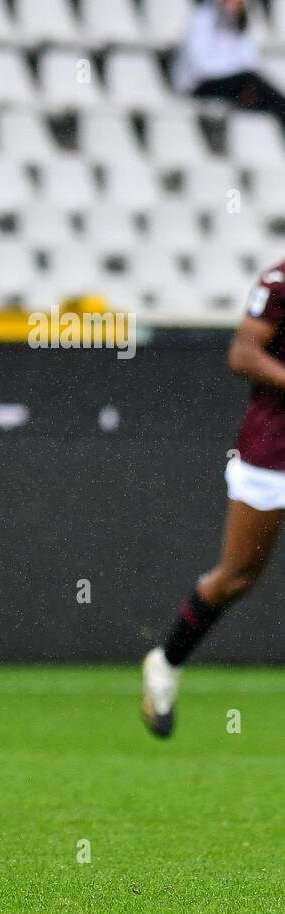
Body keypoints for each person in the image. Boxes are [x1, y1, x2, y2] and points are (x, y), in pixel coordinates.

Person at [142, 259, 285, 737]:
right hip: (273, 452)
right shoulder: (279, 281)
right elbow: (244, 355)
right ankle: (165, 663)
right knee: (237, 576)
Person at [173, 0, 285, 130]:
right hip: (197, 84)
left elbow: (250, 60)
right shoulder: (202, 19)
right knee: (253, 84)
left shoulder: (239, 24)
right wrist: (234, 67)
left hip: (230, 83)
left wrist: (234, 68)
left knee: (266, 98)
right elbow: (201, 65)